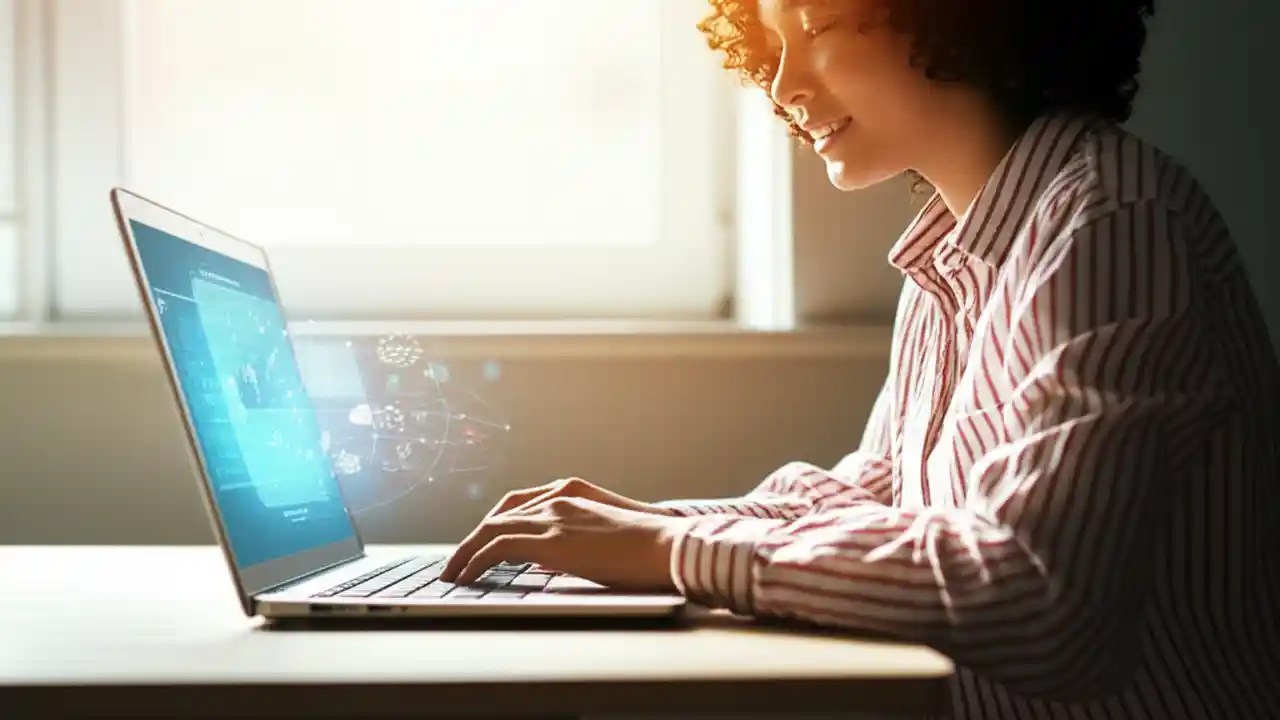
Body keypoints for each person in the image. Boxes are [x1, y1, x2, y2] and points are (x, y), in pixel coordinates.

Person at [442, 0, 1280, 716]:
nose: (782, 85)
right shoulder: (955, 254)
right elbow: (876, 495)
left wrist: (669, 554)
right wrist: (644, 527)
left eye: (820, 29)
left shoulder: (1113, 220)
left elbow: (1040, 597)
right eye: (773, 45)